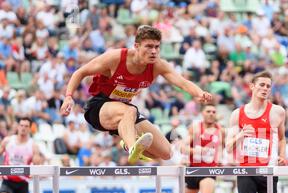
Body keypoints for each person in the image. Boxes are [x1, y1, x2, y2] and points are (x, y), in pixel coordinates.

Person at [59, 25, 212, 164]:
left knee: (166, 153)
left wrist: (199, 93)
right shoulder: (116, 58)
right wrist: (68, 97)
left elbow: (182, 82)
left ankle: (127, 142)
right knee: (130, 110)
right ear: (137, 46)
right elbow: (80, 72)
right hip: (99, 108)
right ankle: (132, 146)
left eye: (157, 47)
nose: (153, 51)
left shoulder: (158, 65)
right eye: (149, 46)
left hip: (126, 114)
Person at [184, 104, 225, 193]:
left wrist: (221, 159)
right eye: (208, 111)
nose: (211, 113)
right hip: (193, 170)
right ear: (202, 113)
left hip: (209, 171)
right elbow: (183, 147)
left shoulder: (221, 131)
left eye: (214, 111)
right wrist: (196, 150)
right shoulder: (195, 128)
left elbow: (225, 147)